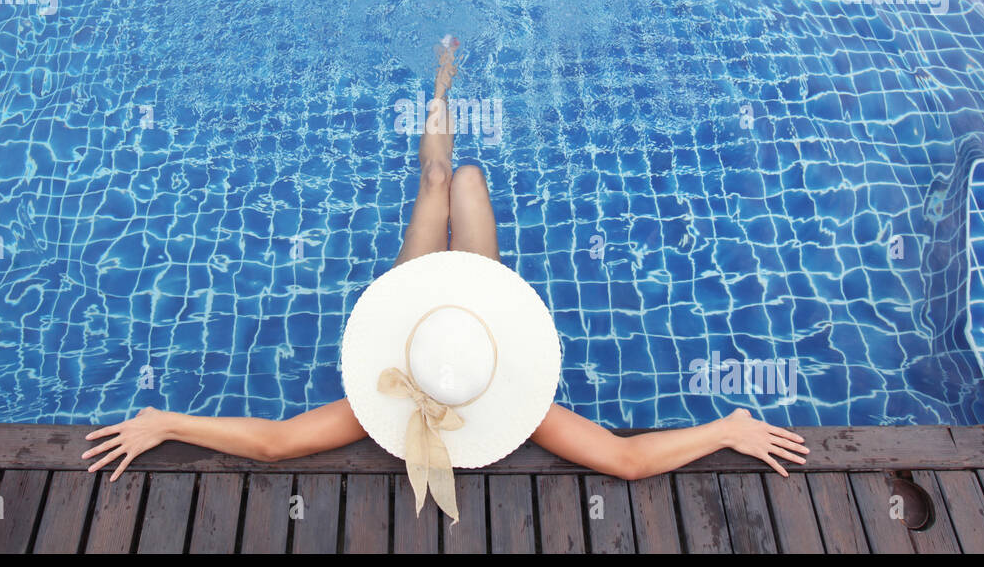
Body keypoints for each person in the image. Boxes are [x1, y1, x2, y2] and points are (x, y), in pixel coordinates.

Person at [82, 38, 809, 485]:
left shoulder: (388, 404)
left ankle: (440, 93)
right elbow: (625, 462)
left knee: (447, 181)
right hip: (468, 313)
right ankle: (440, 86)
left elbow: (277, 445)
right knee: (459, 178)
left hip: (428, 319)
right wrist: (724, 429)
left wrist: (167, 421)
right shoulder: (518, 408)